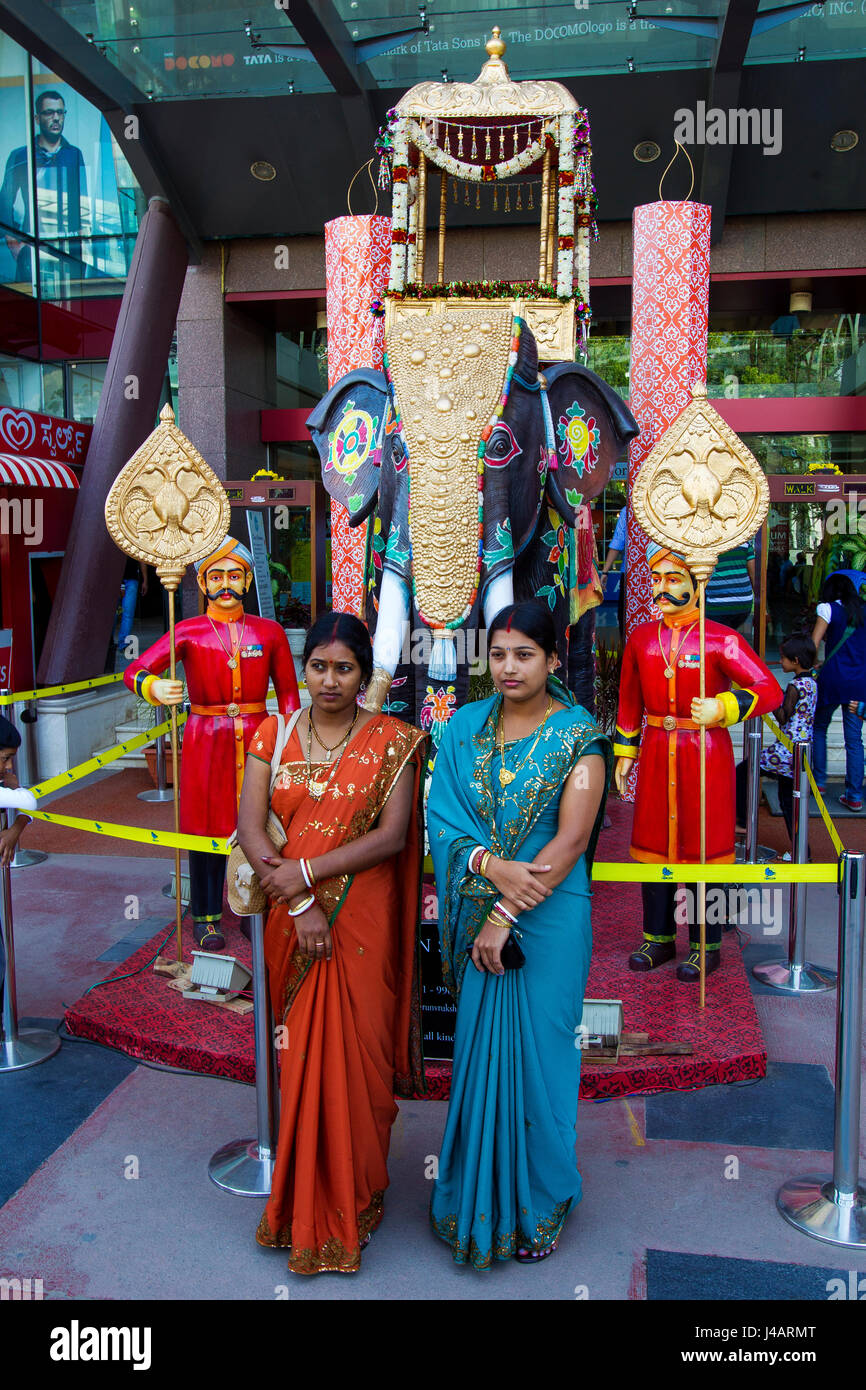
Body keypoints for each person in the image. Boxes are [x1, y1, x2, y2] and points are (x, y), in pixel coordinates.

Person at [238, 612, 427, 1275]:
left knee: (359, 1055)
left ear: (364, 675)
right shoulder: (273, 732)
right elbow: (252, 832)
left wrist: (311, 875)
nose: (330, 680)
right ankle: (305, 1201)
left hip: (363, 915)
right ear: (304, 669)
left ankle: (357, 1194)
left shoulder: (394, 739)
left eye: (344, 668)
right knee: (302, 1061)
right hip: (295, 919)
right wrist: (298, 901)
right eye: (319, 666)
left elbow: (393, 837)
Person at [427, 600, 611, 1267]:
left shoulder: (581, 737)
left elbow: (570, 840)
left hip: (551, 914)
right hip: (482, 898)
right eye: (499, 654)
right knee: (479, 1053)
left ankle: (543, 1196)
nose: (508, 667)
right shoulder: (465, 728)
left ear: (553, 659)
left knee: (541, 1056)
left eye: (524, 654)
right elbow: (442, 821)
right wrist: (491, 870)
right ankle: (474, 1196)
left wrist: (507, 915)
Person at [614, 544, 781, 981]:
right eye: (656, 580)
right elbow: (629, 700)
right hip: (655, 755)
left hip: (705, 755)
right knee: (654, 850)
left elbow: (769, 689)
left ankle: (706, 946)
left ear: (696, 583)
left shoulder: (722, 639)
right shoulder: (641, 638)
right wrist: (625, 752)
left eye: (673, 579)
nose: (661, 588)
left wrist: (726, 706)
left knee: (704, 850)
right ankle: (658, 938)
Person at [124, 537, 299, 949]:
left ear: (247, 581)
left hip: (260, 739)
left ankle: (252, 905)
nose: (225, 584)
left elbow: (289, 697)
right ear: (203, 583)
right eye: (216, 576)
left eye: (234, 575)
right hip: (205, 741)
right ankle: (205, 917)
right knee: (204, 827)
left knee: (260, 825)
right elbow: (133, 670)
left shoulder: (269, 633)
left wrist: (292, 741)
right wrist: (153, 686)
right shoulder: (186, 631)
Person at [735, 633, 817, 850]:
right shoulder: (812, 682)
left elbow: (783, 716)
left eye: (784, 658)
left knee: (743, 770)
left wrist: (771, 697)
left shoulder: (795, 687)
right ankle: (802, 851)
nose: (781, 662)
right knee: (789, 802)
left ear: (796, 661)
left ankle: (742, 821)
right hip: (800, 750)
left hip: (785, 751)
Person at [0, 91, 89, 283]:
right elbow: (5, 203)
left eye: (60, 112)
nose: (56, 118)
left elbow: (82, 201)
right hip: (33, 244)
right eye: (49, 113)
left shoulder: (74, 154)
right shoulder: (21, 156)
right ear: (37, 118)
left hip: (68, 246)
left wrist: (83, 243)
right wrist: (15, 244)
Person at [811, 572, 866, 811]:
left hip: (832, 679)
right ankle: (854, 796)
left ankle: (819, 782)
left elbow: (813, 644)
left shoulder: (827, 609)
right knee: (854, 740)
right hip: (859, 682)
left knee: (819, 727)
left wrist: (813, 665)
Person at [704, 541, 755, 634]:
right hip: (743, 603)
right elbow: (753, 575)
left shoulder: (709, 544)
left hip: (717, 604)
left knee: (717, 638)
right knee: (731, 634)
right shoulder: (745, 544)